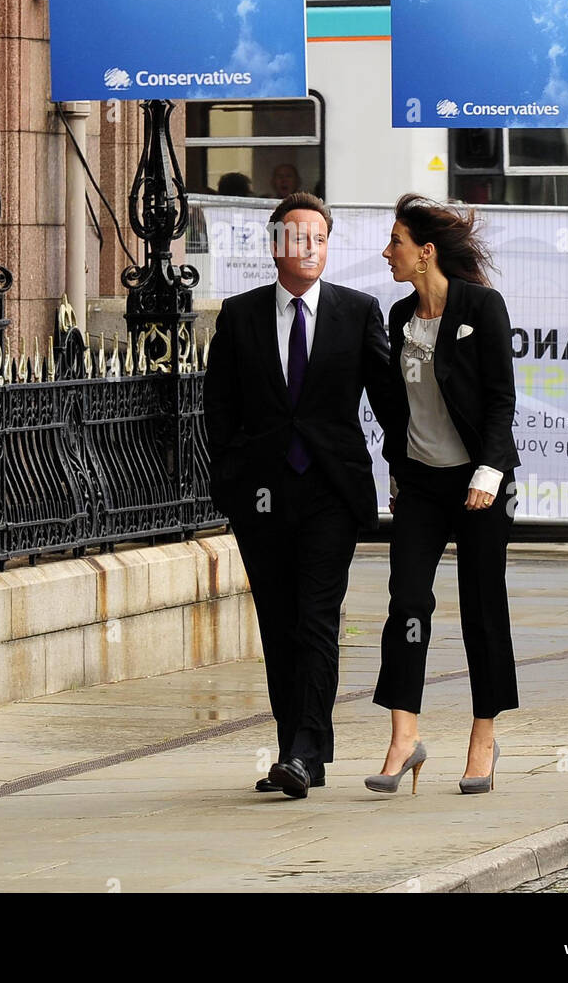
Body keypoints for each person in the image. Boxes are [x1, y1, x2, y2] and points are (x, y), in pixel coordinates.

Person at [203, 192, 395, 798]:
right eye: (296, 237)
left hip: (329, 494)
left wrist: (413, 473)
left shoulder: (357, 312)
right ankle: (296, 747)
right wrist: (233, 482)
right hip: (261, 497)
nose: (308, 248)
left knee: (316, 619)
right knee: (278, 622)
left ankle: (305, 754)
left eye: (318, 238)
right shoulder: (240, 315)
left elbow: (390, 402)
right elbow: (218, 410)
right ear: (275, 246)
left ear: (327, 246)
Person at [366, 194, 520, 797]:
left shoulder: (483, 307)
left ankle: (483, 737)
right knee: (406, 600)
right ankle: (405, 736)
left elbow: (502, 400)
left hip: (481, 482)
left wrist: (488, 473)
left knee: (482, 607)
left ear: (425, 252)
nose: (387, 252)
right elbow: (401, 407)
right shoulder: (400, 315)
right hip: (424, 483)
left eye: (396, 242)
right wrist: (400, 472)